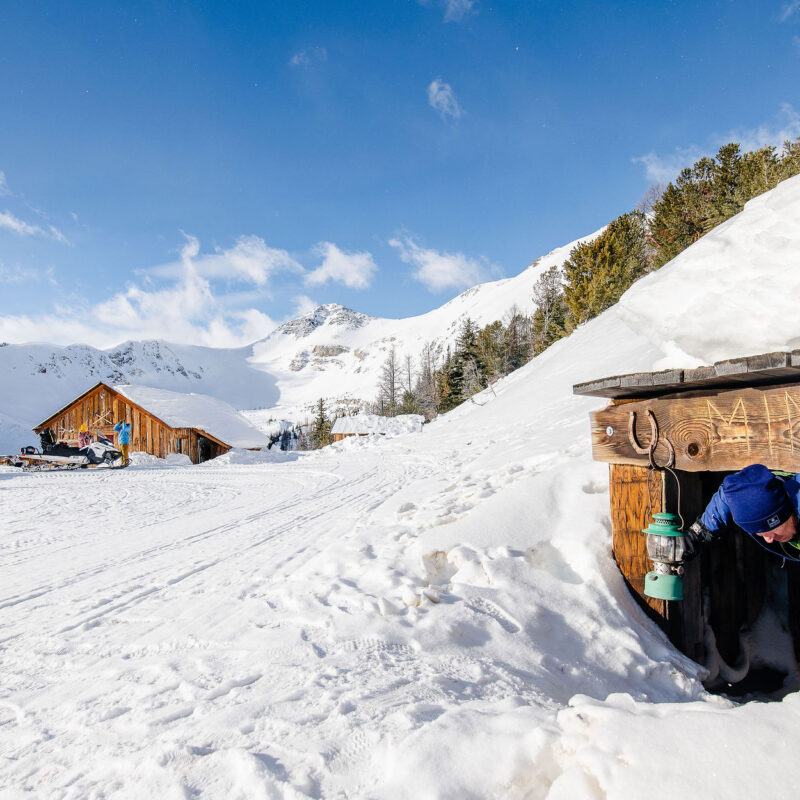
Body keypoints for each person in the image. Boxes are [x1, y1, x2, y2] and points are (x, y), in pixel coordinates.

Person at [683, 463, 800, 561]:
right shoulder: (745, 495)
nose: (769, 540)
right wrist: (699, 533)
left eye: (770, 531)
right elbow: (729, 494)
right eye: (761, 533)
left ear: (783, 514)